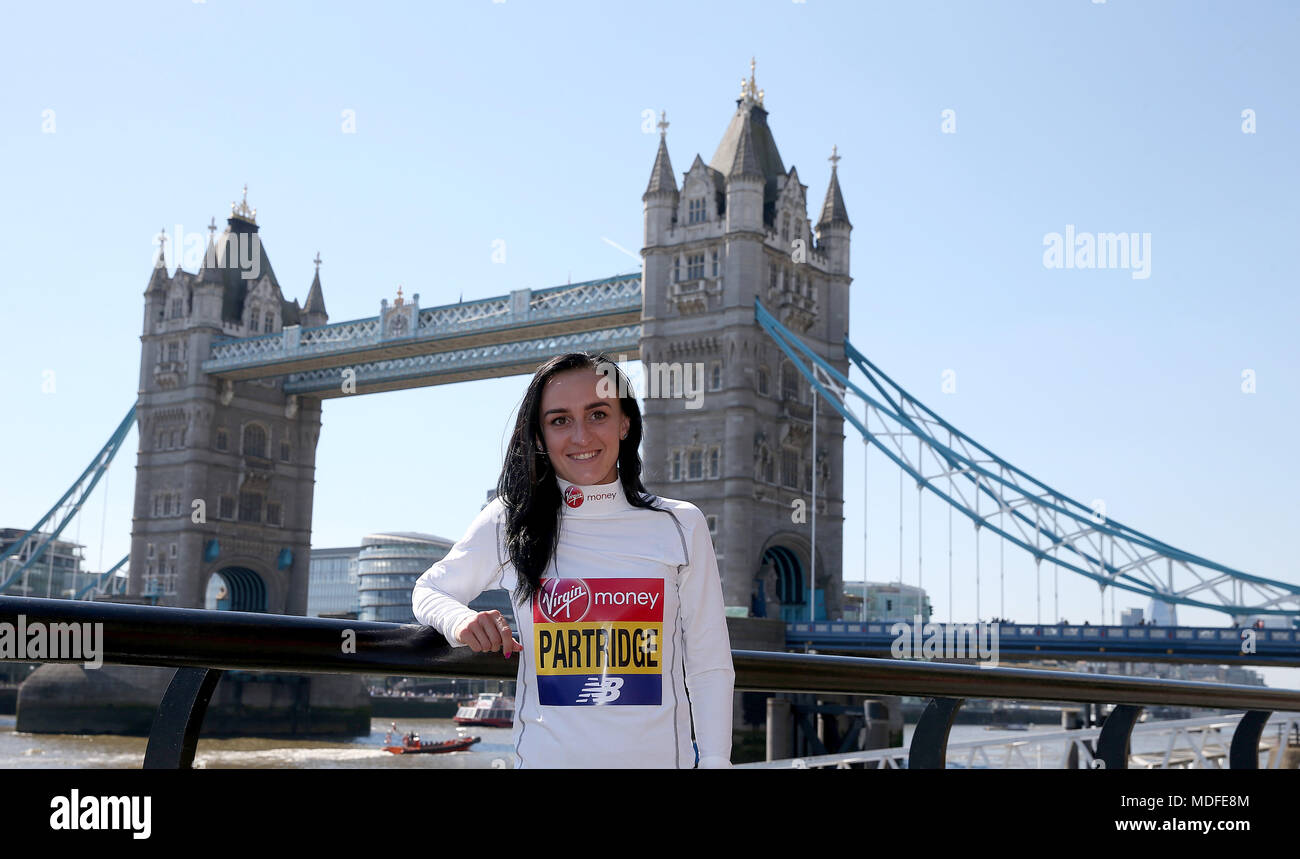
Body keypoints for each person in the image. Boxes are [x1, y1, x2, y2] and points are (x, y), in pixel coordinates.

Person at [412, 352, 735, 768]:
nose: (581, 436)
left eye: (597, 414)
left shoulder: (680, 524)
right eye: (560, 420)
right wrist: (460, 621)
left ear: (625, 423)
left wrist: (713, 761)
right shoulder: (510, 521)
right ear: (540, 437)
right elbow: (429, 589)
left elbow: (708, 663)